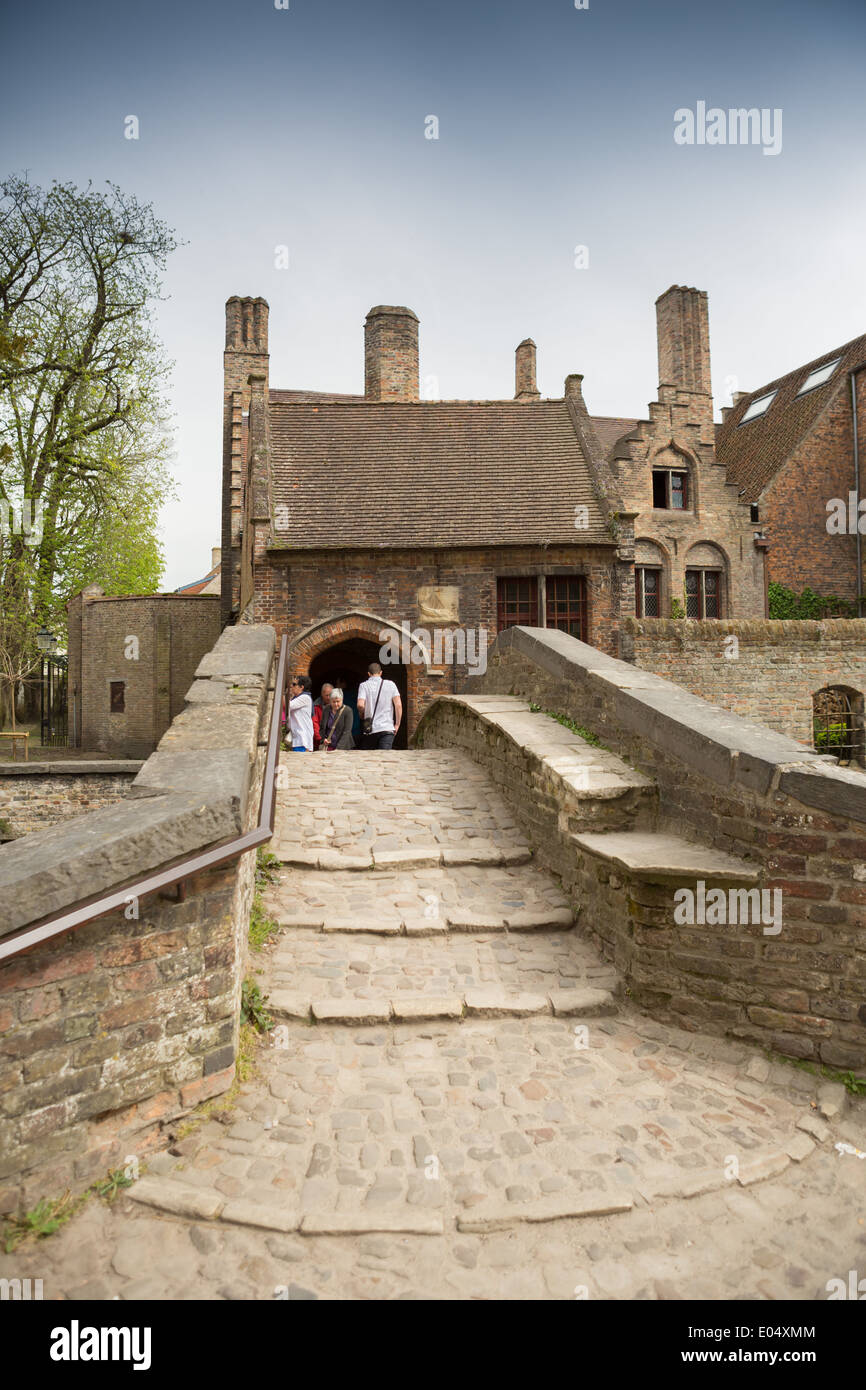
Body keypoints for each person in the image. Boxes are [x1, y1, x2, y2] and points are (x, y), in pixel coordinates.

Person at [357, 661, 401, 750]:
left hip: (370, 729)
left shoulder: (364, 686)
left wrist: (362, 713)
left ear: (368, 674)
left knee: (370, 757)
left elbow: (360, 705)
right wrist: (397, 724)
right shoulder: (391, 684)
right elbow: (398, 705)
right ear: (381, 673)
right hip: (387, 728)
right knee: (384, 756)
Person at [318, 687, 355, 751]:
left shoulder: (348, 711)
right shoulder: (326, 709)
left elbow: (347, 732)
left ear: (342, 700)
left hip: (344, 748)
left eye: (338, 701)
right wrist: (323, 739)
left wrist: (338, 749)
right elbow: (322, 727)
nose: (336, 704)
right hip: (329, 746)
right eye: (333, 702)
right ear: (330, 701)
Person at [288, 675, 314, 752]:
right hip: (298, 738)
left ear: (301, 687)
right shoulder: (296, 698)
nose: (291, 686)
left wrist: (281, 694)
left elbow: (288, 705)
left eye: (294, 684)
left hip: (302, 739)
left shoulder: (305, 698)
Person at [312, 682, 334, 749]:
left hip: (334, 742)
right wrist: (321, 739)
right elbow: (315, 724)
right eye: (326, 695)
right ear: (322, 694)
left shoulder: (337, 705)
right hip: (321, 742)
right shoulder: (316, 707)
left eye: (330, 695)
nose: (328, 697)